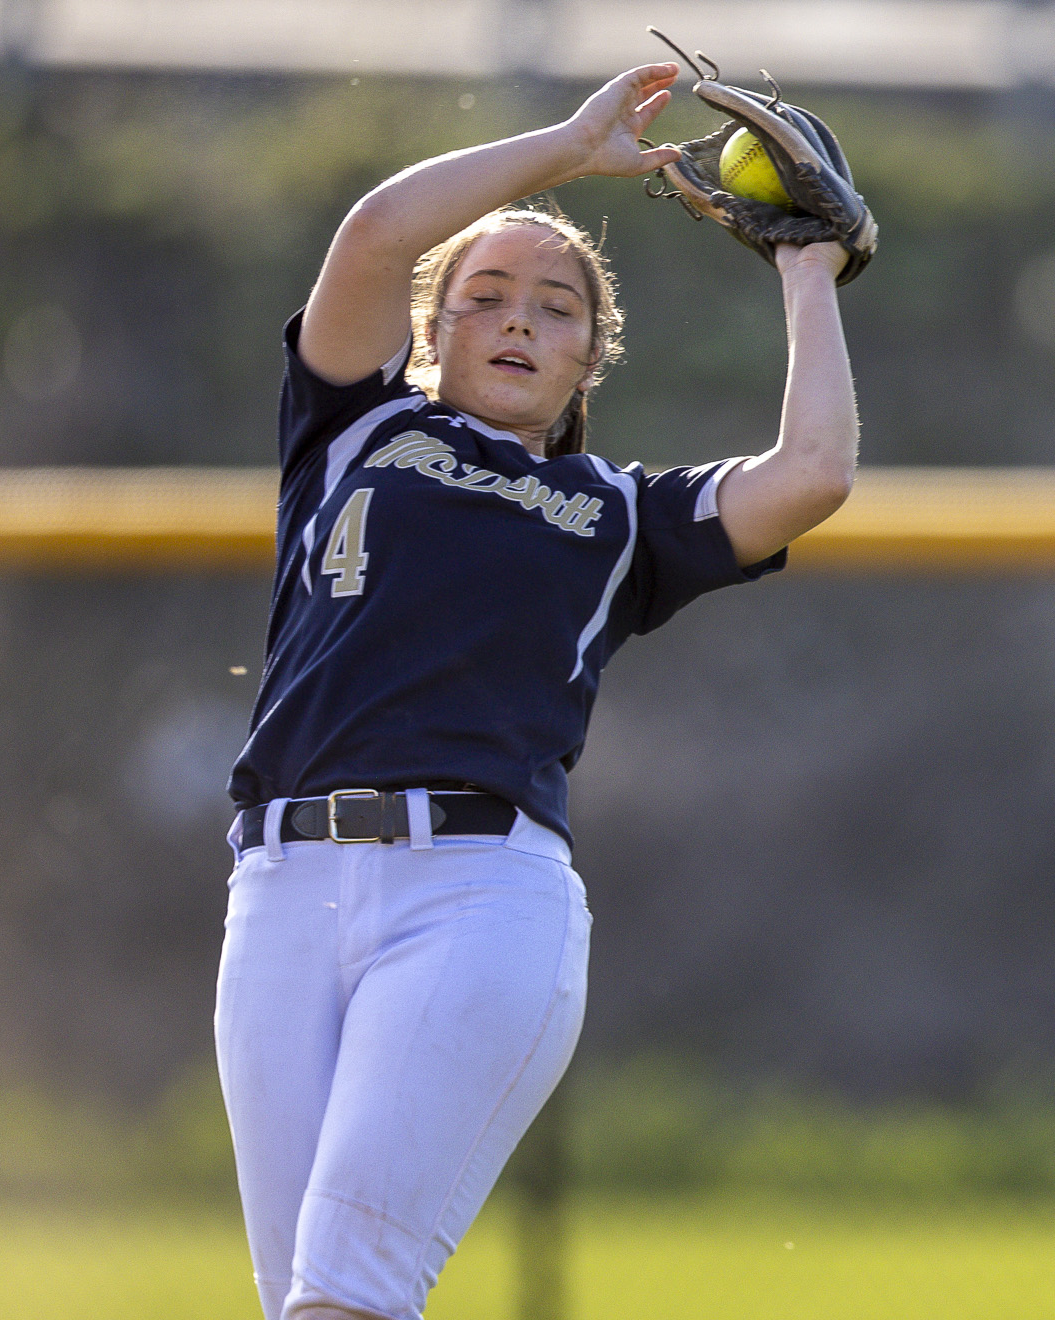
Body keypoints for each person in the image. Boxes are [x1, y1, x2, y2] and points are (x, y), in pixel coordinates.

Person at [216, 62, 858, 1320]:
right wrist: (566, 151)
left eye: (555, 307)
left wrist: (805, 275)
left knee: (343, 1295)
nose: (517, 319)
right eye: (484, 296)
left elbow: (814, 471)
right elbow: (372, 234)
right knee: (304, 1304)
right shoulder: (352, 432)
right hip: (280, 891)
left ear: (587, 358)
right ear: (431, 330)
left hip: (472, 897)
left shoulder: (615, 511)